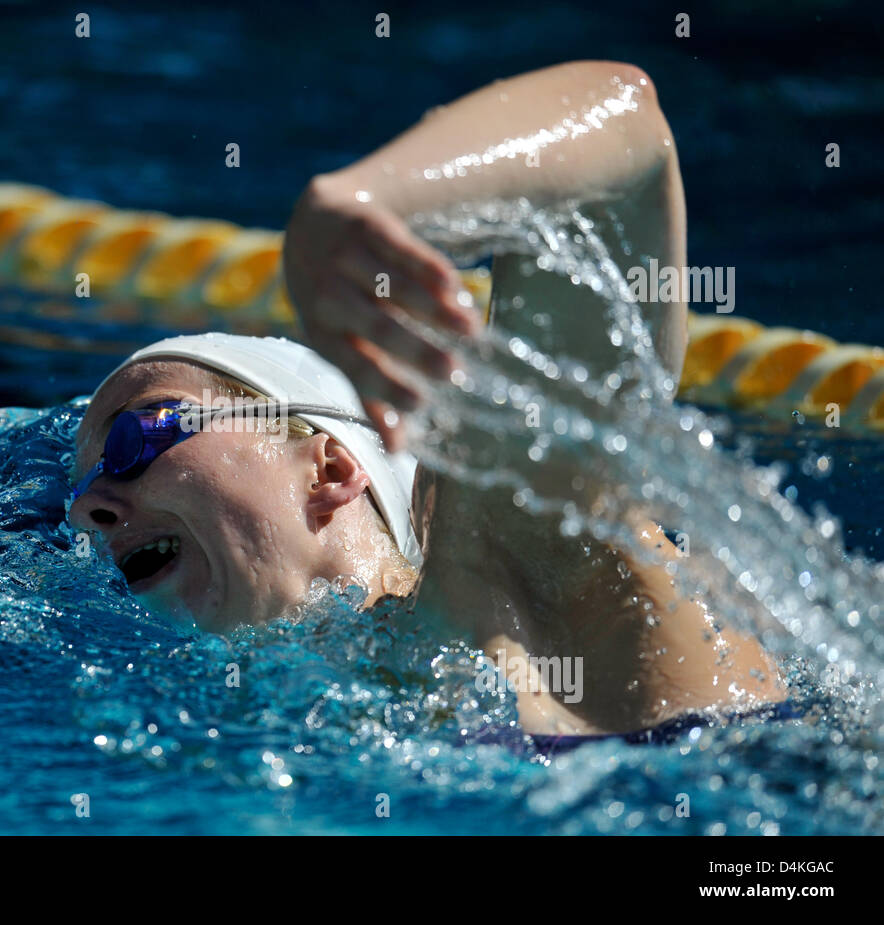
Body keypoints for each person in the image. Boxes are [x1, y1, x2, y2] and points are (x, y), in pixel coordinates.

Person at [68, 60, 787, 743]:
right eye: (88, 480)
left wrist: (366, 199)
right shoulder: (281, 731)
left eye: (139, 437)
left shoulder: (512, 550)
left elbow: (622, 130)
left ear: (328, 469)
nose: (87, 506)